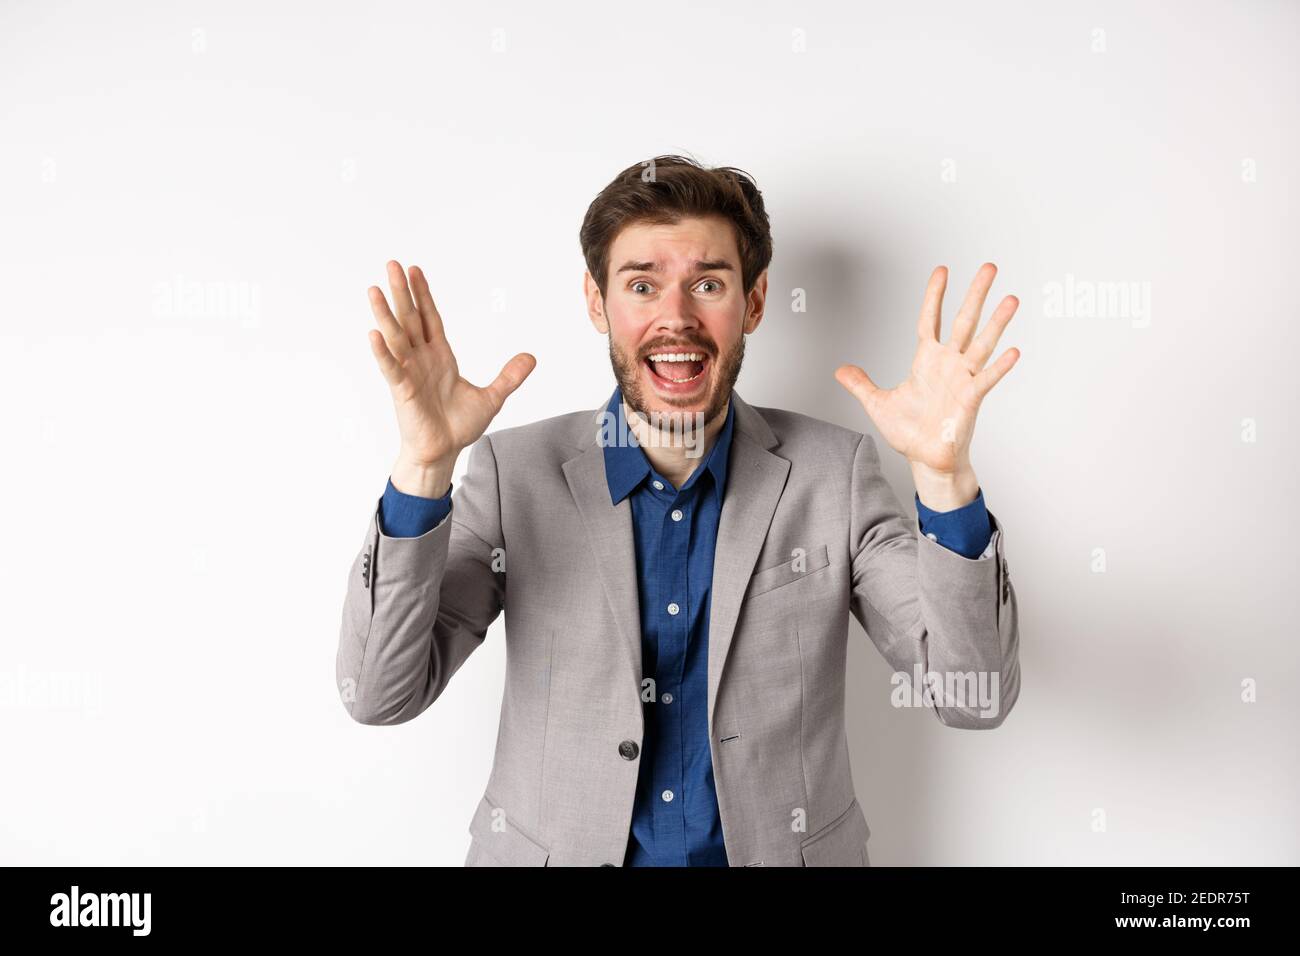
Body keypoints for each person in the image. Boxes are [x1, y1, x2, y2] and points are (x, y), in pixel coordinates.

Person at [336, 154, 1022, 867]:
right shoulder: (517, 474)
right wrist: (423, 467)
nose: (676, 318)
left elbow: (972, 697)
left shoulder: (833, 474)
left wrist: (945, 478)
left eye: (708, 284)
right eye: (642, 285)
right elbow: (380, 694)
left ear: (754, 303)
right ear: (598, 303)